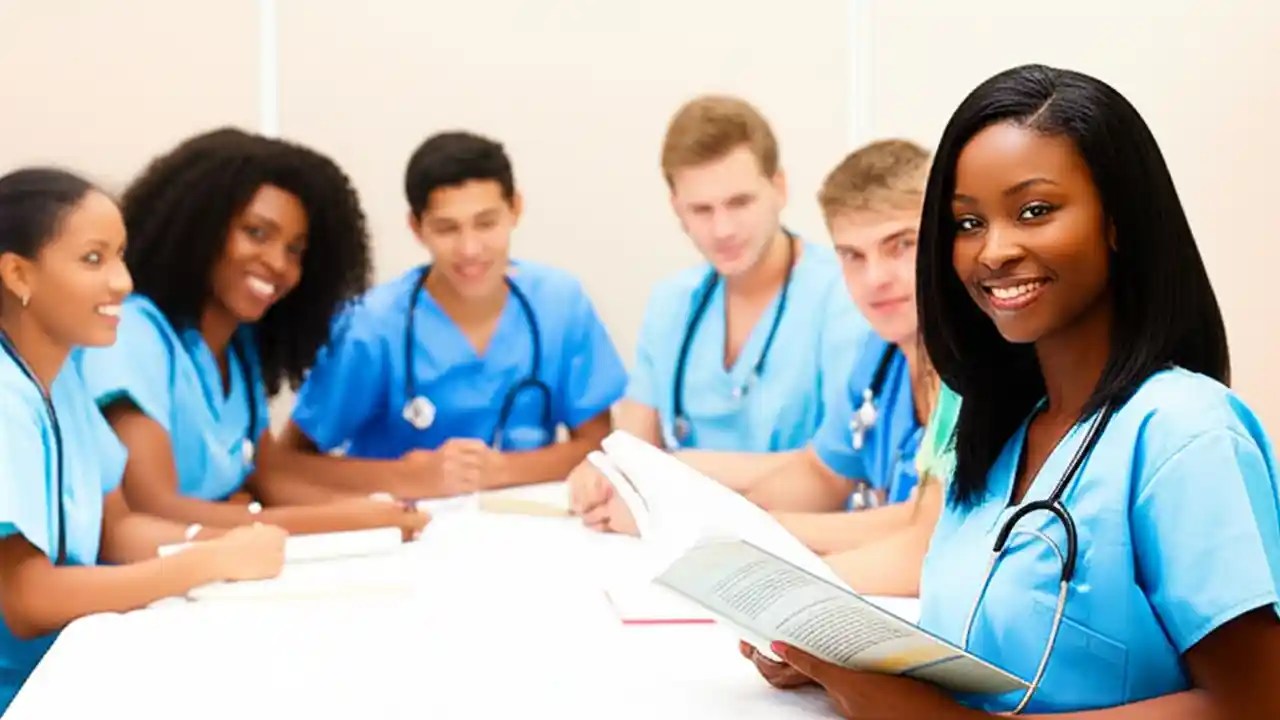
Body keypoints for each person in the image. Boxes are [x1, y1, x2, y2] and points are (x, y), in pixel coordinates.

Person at [748, 64, 1280, 718]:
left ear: (1118, 221)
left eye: (1035, 211)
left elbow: (1256, 704)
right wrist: (833, 666)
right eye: (968, 224)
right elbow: (990, 660)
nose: (993, 251)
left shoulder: (1184, 432)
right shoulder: (1001, 434)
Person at [574, 140, 952, 596]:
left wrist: (745, 537)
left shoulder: (974, 368)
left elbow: (927, 533)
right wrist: (692, 506)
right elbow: (821, 472)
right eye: (852, 255)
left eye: (902, 246)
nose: (874, 279)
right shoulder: (882, 355)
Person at [0, 168, 287, 713]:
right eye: (94, 259)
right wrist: (203, 564)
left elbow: (118, 527)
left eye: (121, 256)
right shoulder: (5, 401)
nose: (123, 283)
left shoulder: (61, 384)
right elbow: (26, 598)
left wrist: (217, 545)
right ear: (17, 273)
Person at [76, 129, 429, 537]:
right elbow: (152, 505)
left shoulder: (237, 348)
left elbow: (270, 475)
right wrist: (343, 520)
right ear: (201, 227)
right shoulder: (134, 335)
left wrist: (379, 510)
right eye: (256, 233)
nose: (277, 263)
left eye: (295, 250)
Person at [263, 131, 628, 500]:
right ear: (416, 227)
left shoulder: (558, 305)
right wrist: (409, 476)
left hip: (525, 528)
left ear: (515, 209)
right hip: (402, 531)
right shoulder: (371, 326)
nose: (470, 249)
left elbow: (600, 447)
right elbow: (289, 461)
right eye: (446, 228)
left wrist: (500, 470)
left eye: (486, 223)